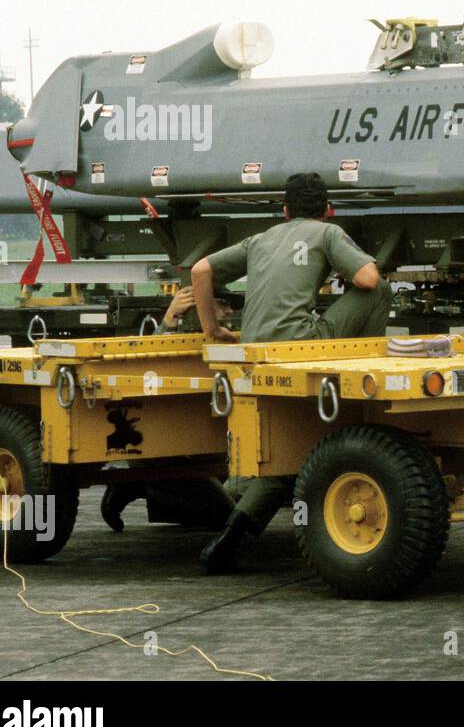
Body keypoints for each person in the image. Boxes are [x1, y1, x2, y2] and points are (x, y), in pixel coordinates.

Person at [191, 172, 393, 573]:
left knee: (281, 450)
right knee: (382, 289)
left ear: (283, 211)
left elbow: (199, 271)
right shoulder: (327, 232)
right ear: (327, 210)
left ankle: (229, 531)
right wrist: (343, 270)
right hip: (299, 344)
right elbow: (368, 279)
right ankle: (366, 365)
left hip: (254, 350)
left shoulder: (260, 240)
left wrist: (212, 330)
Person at [99, 286, 238, 533]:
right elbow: (147, 368)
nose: (230, 311)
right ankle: (135, 484)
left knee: (239, 499)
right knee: (226, 516)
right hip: (169, 454)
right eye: (222, 303)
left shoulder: (226, 336)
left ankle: (140, 486)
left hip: (205, 452)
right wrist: (169, 319)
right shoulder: (174, 340)